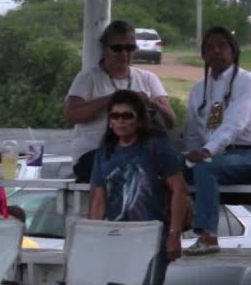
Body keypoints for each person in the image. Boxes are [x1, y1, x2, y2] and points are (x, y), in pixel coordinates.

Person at [88, 89, 188, 285]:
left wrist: (173, 234)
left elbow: (179, 190)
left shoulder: (156, 146)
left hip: (152, 236)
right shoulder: (104, 152)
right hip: (118, 239)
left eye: (126, 115)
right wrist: (95, 240)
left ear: (139, 119)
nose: (119, 122)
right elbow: (98, 199)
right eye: (114, 116)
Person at [182, 26, 251, 256]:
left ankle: (207, 236)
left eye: (222, 46)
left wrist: (207, 151)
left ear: (233, 51)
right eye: (209, 47)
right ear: (203, 55)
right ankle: (166, 232)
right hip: (215, 156)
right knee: (168, 170)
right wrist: (191, 153)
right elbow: (194, 133)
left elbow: (235, 123)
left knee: (206, 168)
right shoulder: (199, 90)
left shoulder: (248, 82)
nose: (216, 51)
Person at [66, 20, 175, 183]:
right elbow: (72, 115)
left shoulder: (148, 78)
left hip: (138, 154)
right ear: (104, 48)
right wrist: (113, 99)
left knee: (172, 170)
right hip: (94, 154)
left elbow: (170, 120)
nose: (124, 53)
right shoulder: (88, 78)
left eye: (130, 48)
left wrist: (150, 103)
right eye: (117, 48)